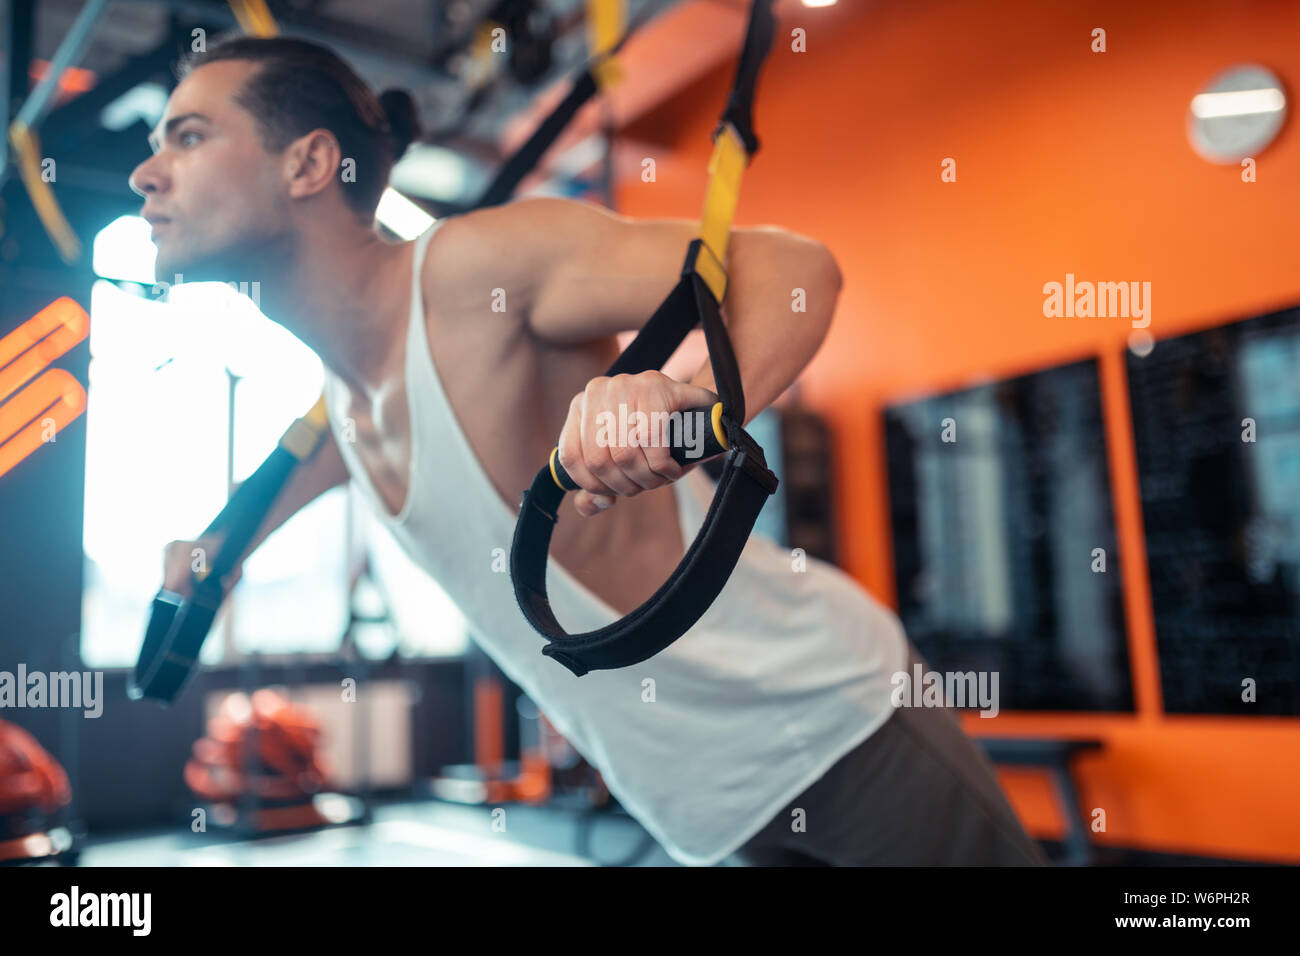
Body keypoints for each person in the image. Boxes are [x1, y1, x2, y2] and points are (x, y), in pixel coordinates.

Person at [139, 35, 1045, 866]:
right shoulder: (342, 398)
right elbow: (306, 467)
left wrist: (682, 402)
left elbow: (796, 274)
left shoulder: (472, 272)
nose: (147, 173)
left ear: (307, 163)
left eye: (186, 138)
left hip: (835, 725)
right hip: (701, 802)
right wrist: (220, 554)